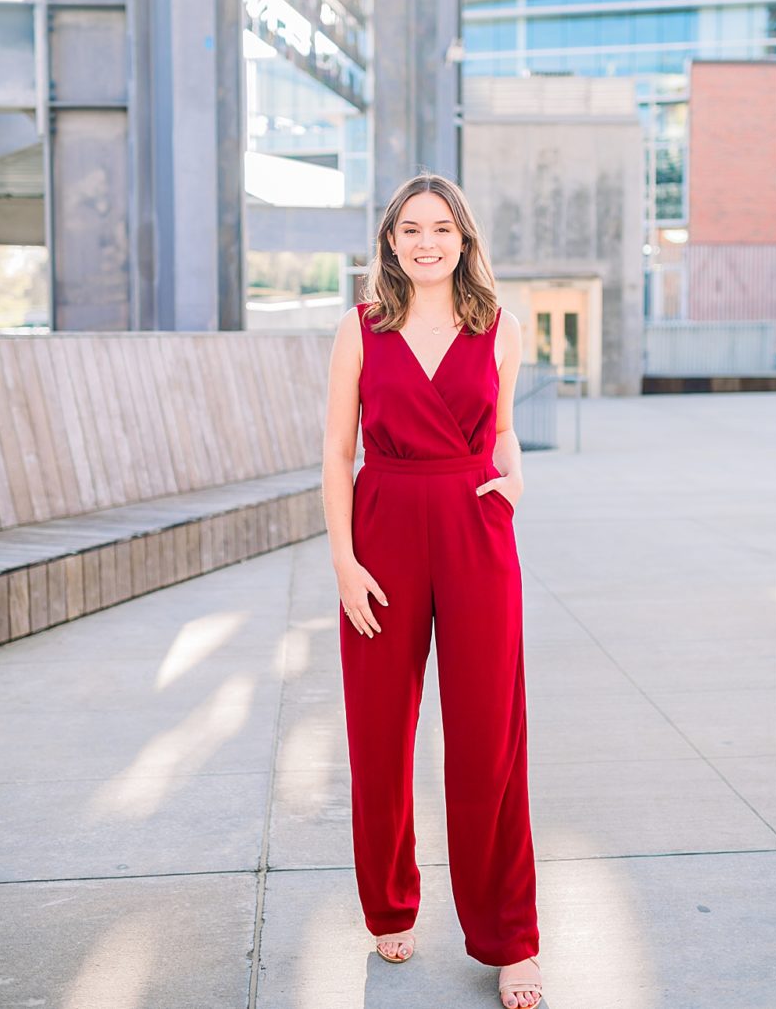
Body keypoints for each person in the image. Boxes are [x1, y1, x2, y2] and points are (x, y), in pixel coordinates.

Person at [321, 172, 542, 1009]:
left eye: (440, 229)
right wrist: (343, 559)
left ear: (463, 240)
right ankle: (388, 899)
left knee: (490, 740)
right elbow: (337, 454)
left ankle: (510, 938)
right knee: (381, 733)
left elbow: (507, 428)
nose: (425, 242)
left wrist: (515, 480)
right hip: (382, 531)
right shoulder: (360, 329)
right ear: (389, 241)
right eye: (410, 229)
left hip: (477, 532)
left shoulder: (499, 327)